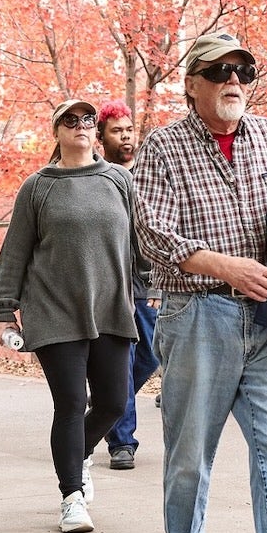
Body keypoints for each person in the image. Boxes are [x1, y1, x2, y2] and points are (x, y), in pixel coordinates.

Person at [134, 32, 267, 533]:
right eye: (219, 71)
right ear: (192, 85)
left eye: (244, 70)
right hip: (196, 316)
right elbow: (151, 234)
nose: (234, 80)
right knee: (190, 454)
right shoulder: (163, 148)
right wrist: (223, 266)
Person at [0, 98, 138, 533]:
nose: (81, 126)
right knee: (71, 403)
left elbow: (139, 241)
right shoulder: (39, 186)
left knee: (111, 402)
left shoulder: (118, 181)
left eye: (88, 120)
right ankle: (71, 496)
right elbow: (15, 251)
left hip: (110, 307)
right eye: (70, 121)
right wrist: (2, 310)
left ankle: (79, 453)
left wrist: (151, 291)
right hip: (53, 310)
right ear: (56, 132)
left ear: (96, 130)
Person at [95, 98, 158, 472]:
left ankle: (105, 404)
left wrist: (156, 283)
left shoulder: (148, 174)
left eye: (129, 130)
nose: (126, 137)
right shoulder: (98, 176)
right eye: (117, 132)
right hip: (110, 286)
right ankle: (122, 441)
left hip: (147, 284)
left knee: (151, 356)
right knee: (125, 360)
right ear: (102, 138)